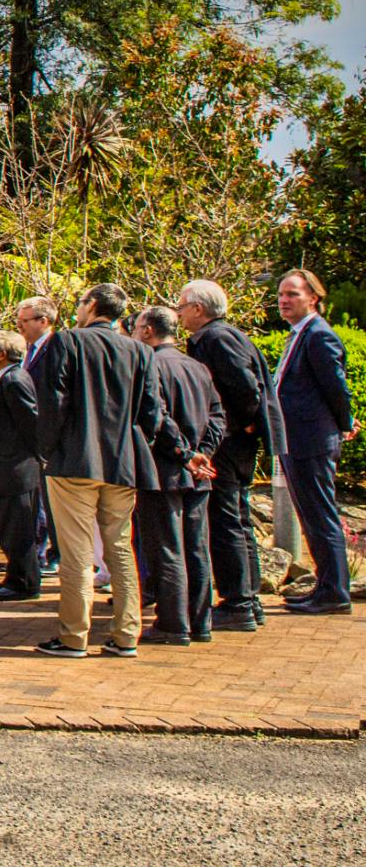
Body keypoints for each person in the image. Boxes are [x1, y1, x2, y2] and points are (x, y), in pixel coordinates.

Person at [28, 283, 181, 658]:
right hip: (123, 462)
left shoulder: (67, 342)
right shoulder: (140, 351)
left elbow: (52, 400)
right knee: (120, 549)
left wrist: (46, 449)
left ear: (92, 305)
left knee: (77, 552)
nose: (78, 310)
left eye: (81, 303)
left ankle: (72, 636)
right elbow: (152, 412)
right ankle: (127, 635)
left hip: (74, 461)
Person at [177, 279, 273, 631]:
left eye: (183, 306)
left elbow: (246, 387)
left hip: (229, 444)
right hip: (233, 441)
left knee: (226, 520)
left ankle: (238, 603)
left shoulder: (217, 338)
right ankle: (248, 600)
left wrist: (245, 424)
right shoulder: (219, 336)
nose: (179, 313)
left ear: (199, 309)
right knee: (237, 518)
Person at [129, 306, 224, 644]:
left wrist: (185, 454)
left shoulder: (148, 364)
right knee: (196, 548)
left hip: (164, 469)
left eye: (137, 326)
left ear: (148, 331)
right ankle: (200, 622)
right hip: (198, 471)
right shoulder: (197, 367)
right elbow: (217, 415)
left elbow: (157, 416)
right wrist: (204, 453)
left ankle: (172, 623)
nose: (133, 331)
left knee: (167, 547)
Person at [272, 268, 357, 616]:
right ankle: (325, 586)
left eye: (292, 294)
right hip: (296, 439)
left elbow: (336, 388)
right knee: (310, 515)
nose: (283, 300)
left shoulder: (319, 335)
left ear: (313, 298)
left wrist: (344, 423)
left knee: (320, 514)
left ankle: (335, 591)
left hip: (312, 439)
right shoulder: (299, 334)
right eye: (280, 294)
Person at [0, 329, 44, 601]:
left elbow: (31, 423)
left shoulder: (14, 380)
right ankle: (14, 577)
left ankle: (25, 583)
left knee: (18, 528)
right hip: (5, 468)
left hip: (15, 469)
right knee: (8, 527)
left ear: (2, 354)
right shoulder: (6, 378)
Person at [12, 296, 62, 581]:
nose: (19, 326)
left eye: (24, 321)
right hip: (32, 444)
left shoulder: (56, 349)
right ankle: (38, 554)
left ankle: (55, 555)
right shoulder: (29, 351)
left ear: (43, 321)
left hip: (48, 441)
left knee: (51, 505)